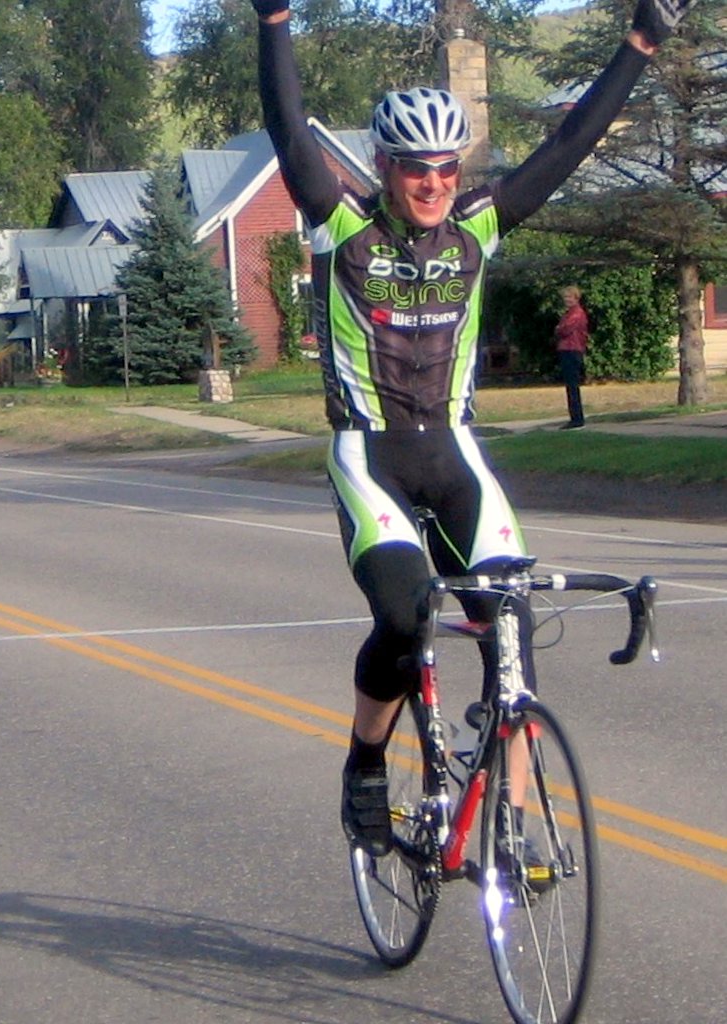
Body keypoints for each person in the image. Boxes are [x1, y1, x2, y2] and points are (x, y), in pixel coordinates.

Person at [250, 0, 693, 857]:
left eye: (446, 170)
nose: (433, 184)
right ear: (383, 167)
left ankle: (516, 828)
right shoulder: (341, 223)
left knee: (514, 629)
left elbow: (565, 151)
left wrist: (638, 44)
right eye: (416, 169)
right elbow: (285, 127)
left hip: (455, 458)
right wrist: (273, 21)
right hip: (368, 456)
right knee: (404, 614)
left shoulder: (476, 229)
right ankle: (366, 764)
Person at [555, 285, 590, 429]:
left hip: (572, 349)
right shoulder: (569, 313)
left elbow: (564, 329)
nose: (566, 300)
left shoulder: (576, 314)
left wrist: (559, 328)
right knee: (570, 385)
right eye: (565, 297)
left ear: (576, 297)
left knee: (573, 385)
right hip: (567, 349)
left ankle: (577, 419)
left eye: (569, 297)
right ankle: (574, 417)